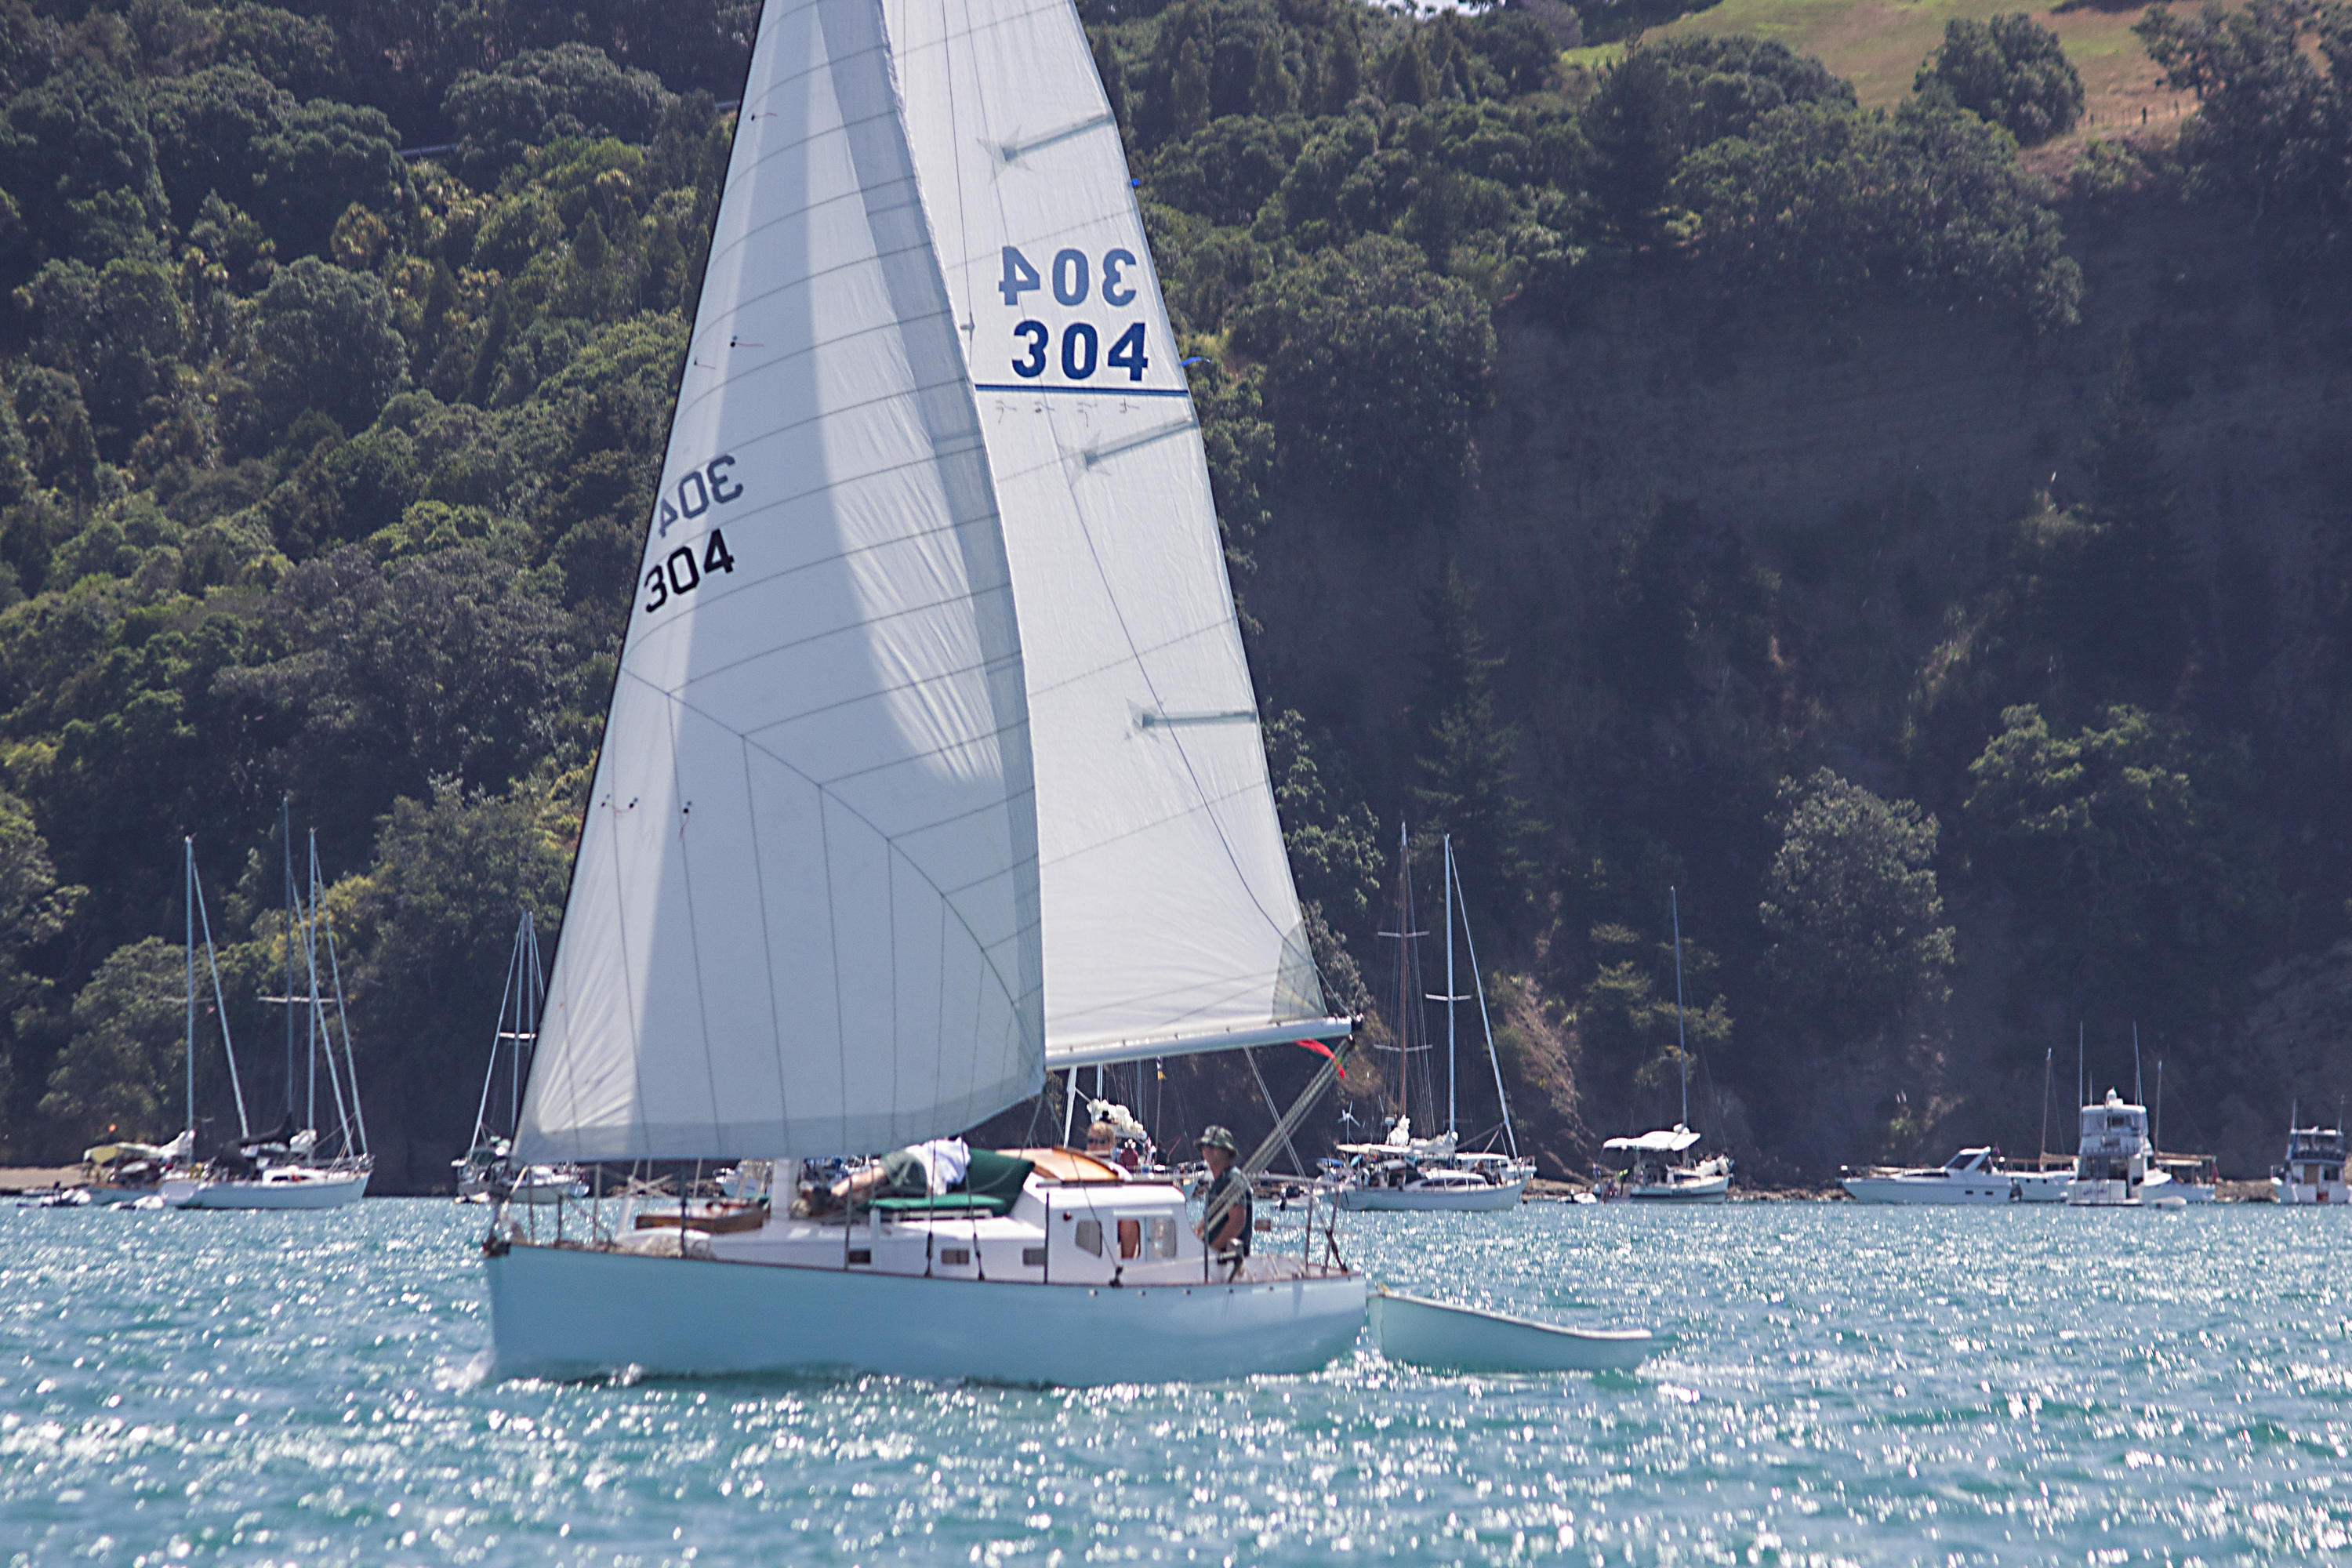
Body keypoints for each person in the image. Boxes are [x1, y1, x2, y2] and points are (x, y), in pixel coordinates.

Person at [802, 1137, 969, 1215]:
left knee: (866, 1182)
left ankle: (830, 1197)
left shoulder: (950, 1147)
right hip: (922, 1181)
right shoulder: (953, 1150)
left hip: (914, 1165)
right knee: (866, 1192)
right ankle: (831, 1202)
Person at [1193, 1124, 1252, 1263]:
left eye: (1213, 1146)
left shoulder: (1232, 1179)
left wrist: (1212, 1249)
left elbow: (1237, 1221)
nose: (1207, 1150)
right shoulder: (1217, 1182)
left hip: (1225, 1262)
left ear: (1227, 1152)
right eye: (1204, 1146)